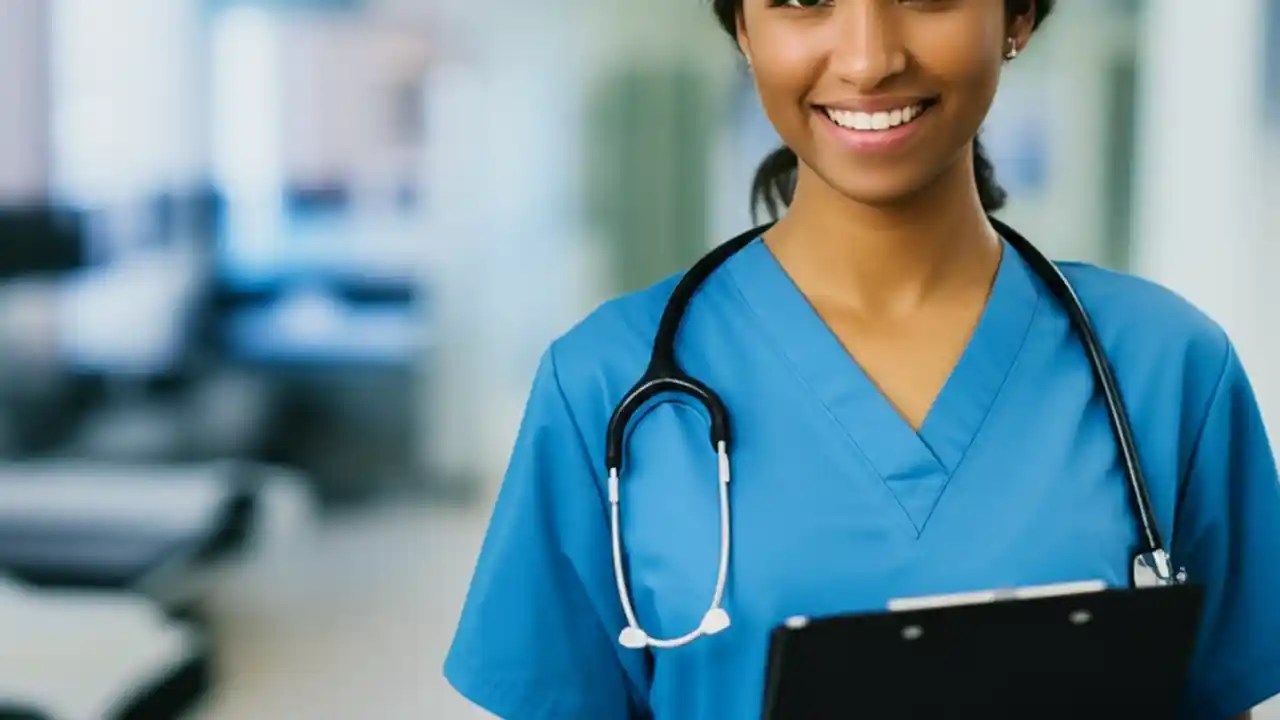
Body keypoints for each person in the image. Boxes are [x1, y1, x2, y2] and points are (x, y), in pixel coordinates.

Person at [444, 1, 1280, 718]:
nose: (869, 57)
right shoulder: (603, 384)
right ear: (741, 23)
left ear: (1018, 15)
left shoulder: (1171, 373)